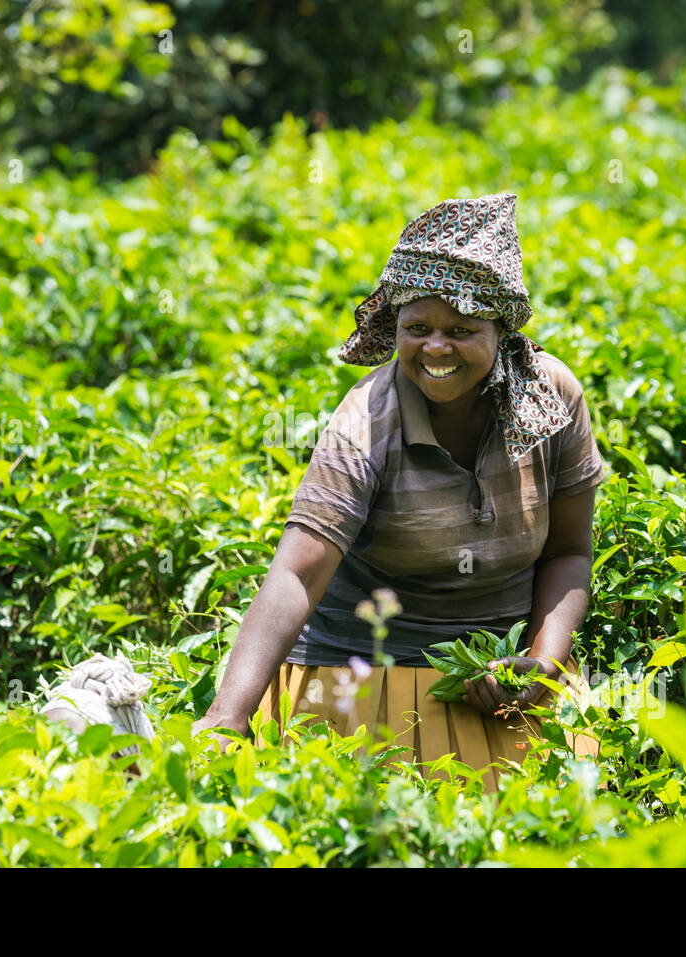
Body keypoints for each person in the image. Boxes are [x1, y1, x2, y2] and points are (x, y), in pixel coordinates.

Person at [192, 192, 606, 792]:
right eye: (418, 329)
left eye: (461, 330)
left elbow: (569, 552)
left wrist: (542, 663)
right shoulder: (366, 422)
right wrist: (227, 717)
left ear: (501, 330)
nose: (436, 348)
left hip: (502, 678)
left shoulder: (552, 398)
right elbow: (297, 574)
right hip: (360, 667)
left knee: (551, 821)